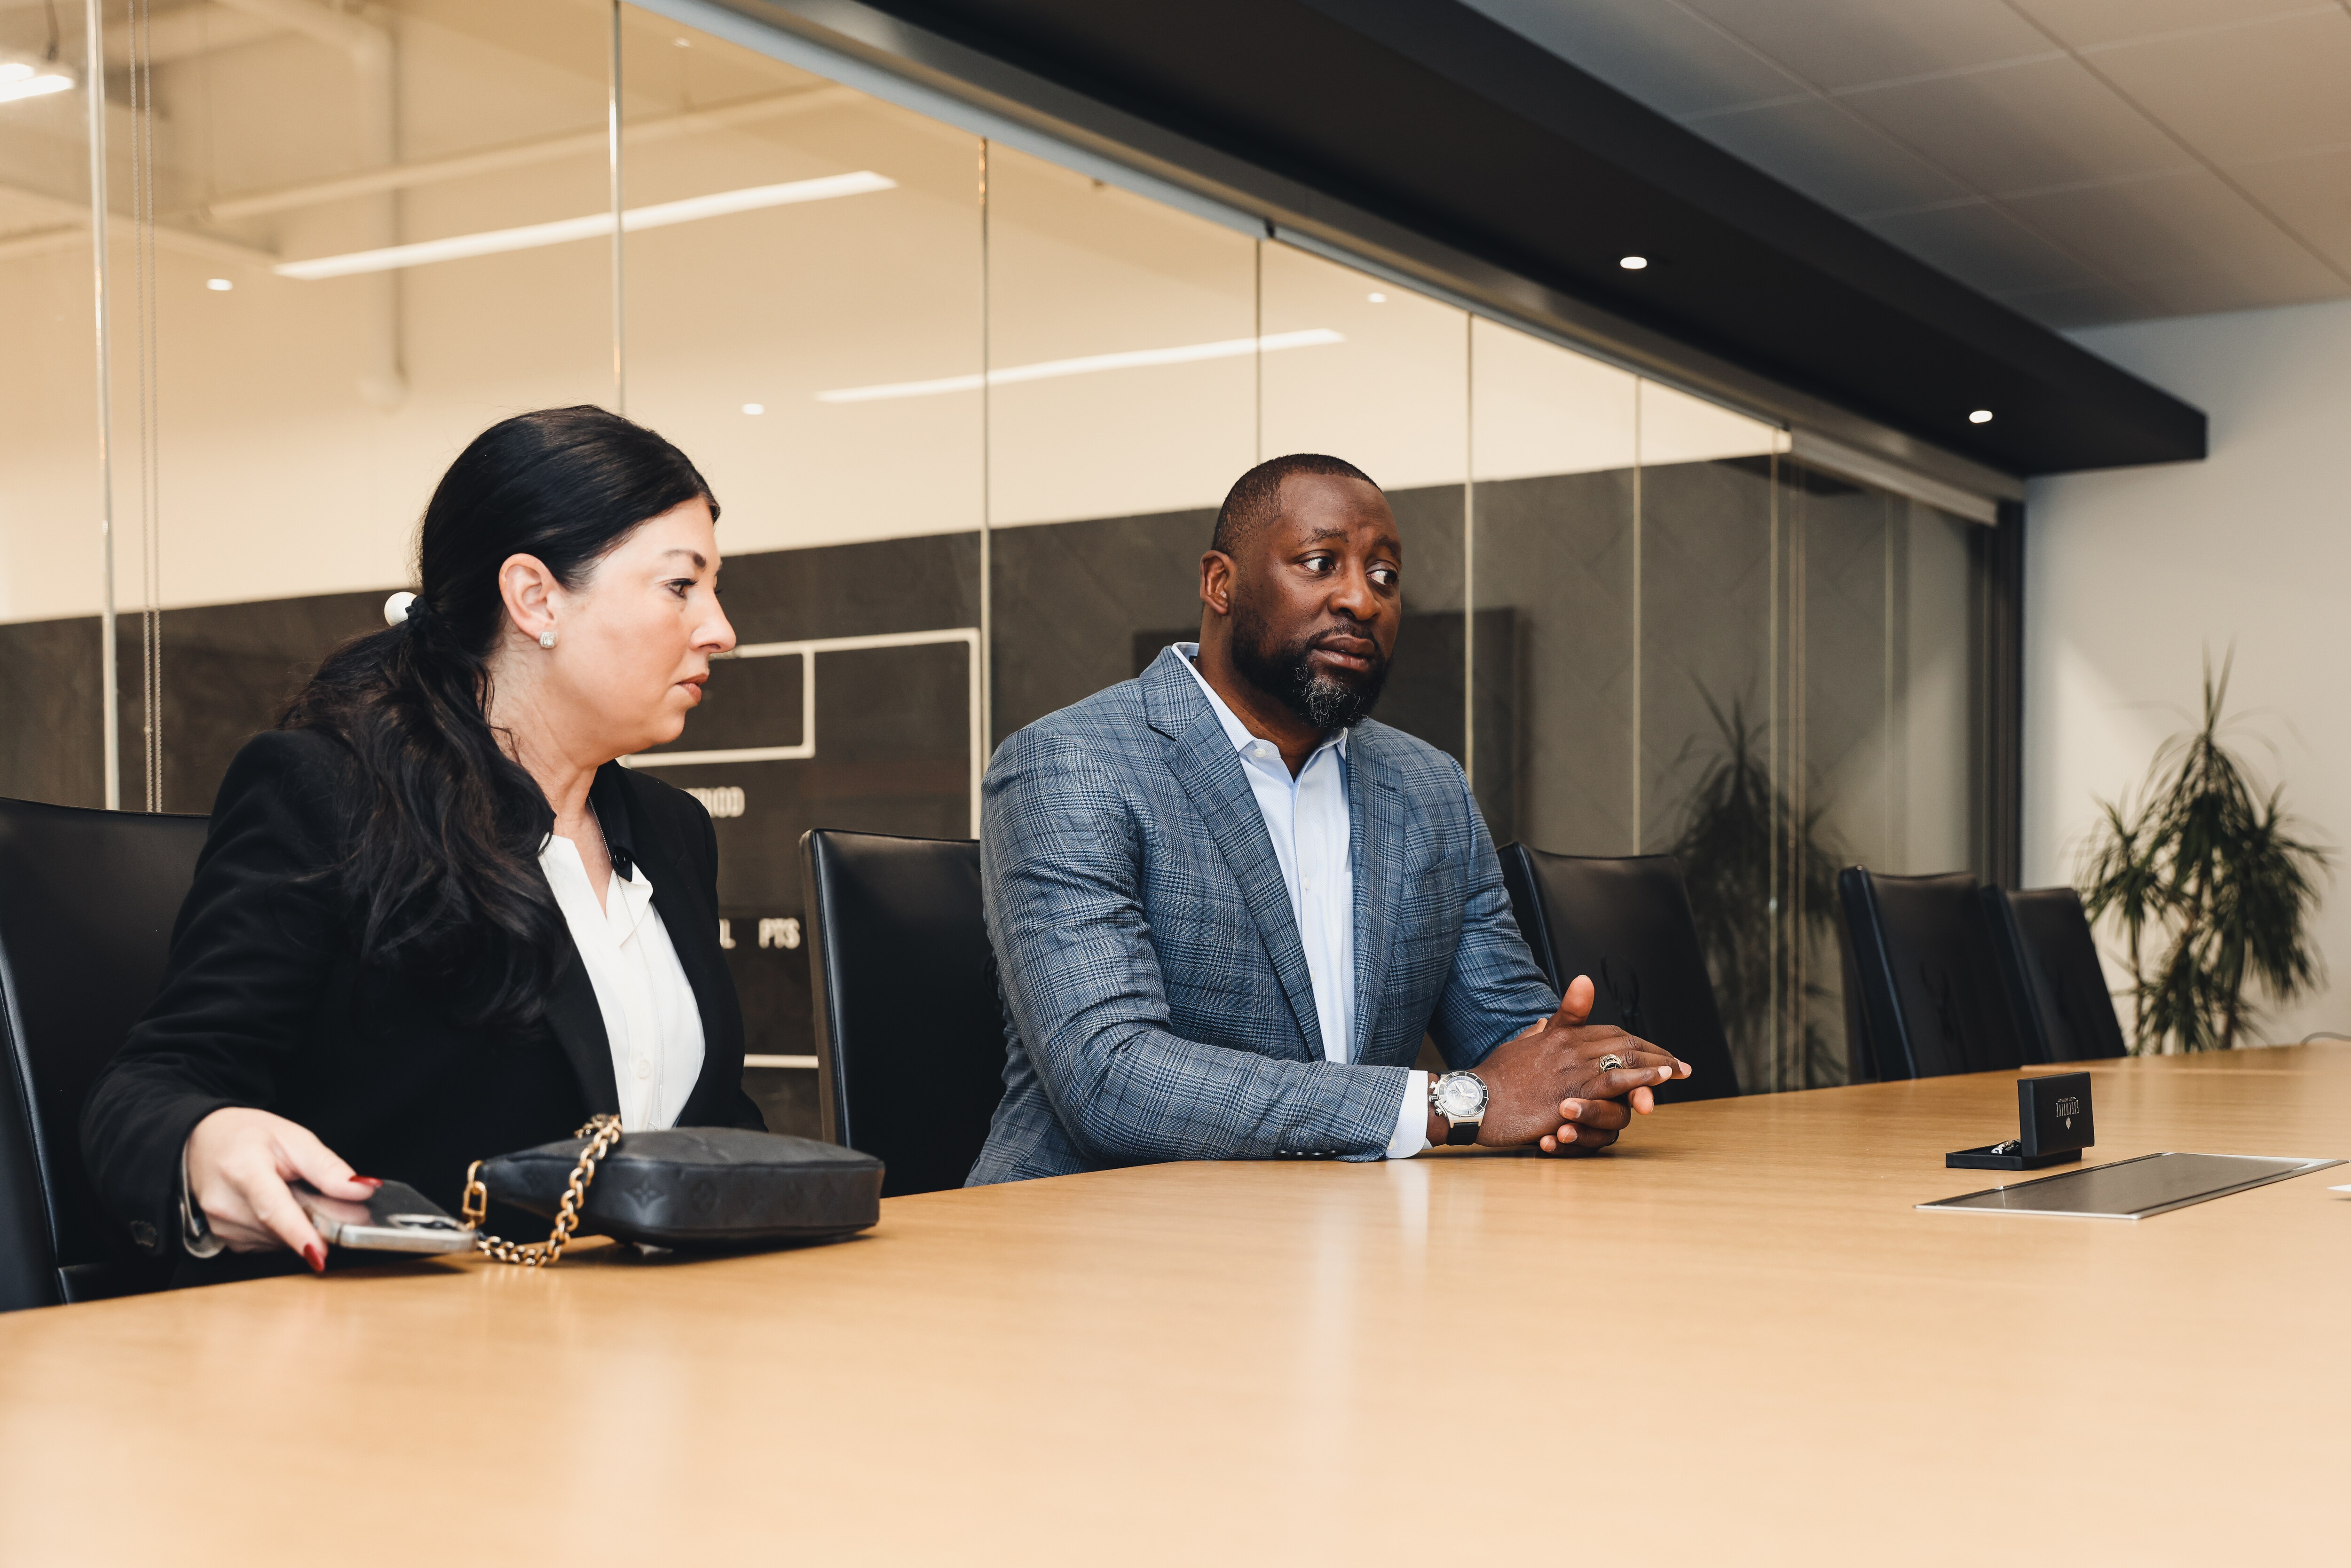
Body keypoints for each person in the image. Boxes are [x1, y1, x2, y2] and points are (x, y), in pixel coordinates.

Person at [82, 406, 764, 1283]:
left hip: (670, 1352)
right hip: (415, 1371)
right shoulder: (328, 795)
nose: (720, 629)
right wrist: (205, 1141)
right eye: (682, 587)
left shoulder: (671, 832)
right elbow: (150, 1086)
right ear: (535, 598)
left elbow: (717, 1134)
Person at [969, 453, 1691, 1185]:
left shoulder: (1428, 786)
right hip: (1088, 1250)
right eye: (1320, 563)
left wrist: (1572, 1085)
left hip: (1347, 1237)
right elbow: (1110, 1076)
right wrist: (1454, 1104)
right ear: (1221, 583)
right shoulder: (1070, 764)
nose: (1362, 600)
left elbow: (1505, 1035)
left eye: (1385, 577)